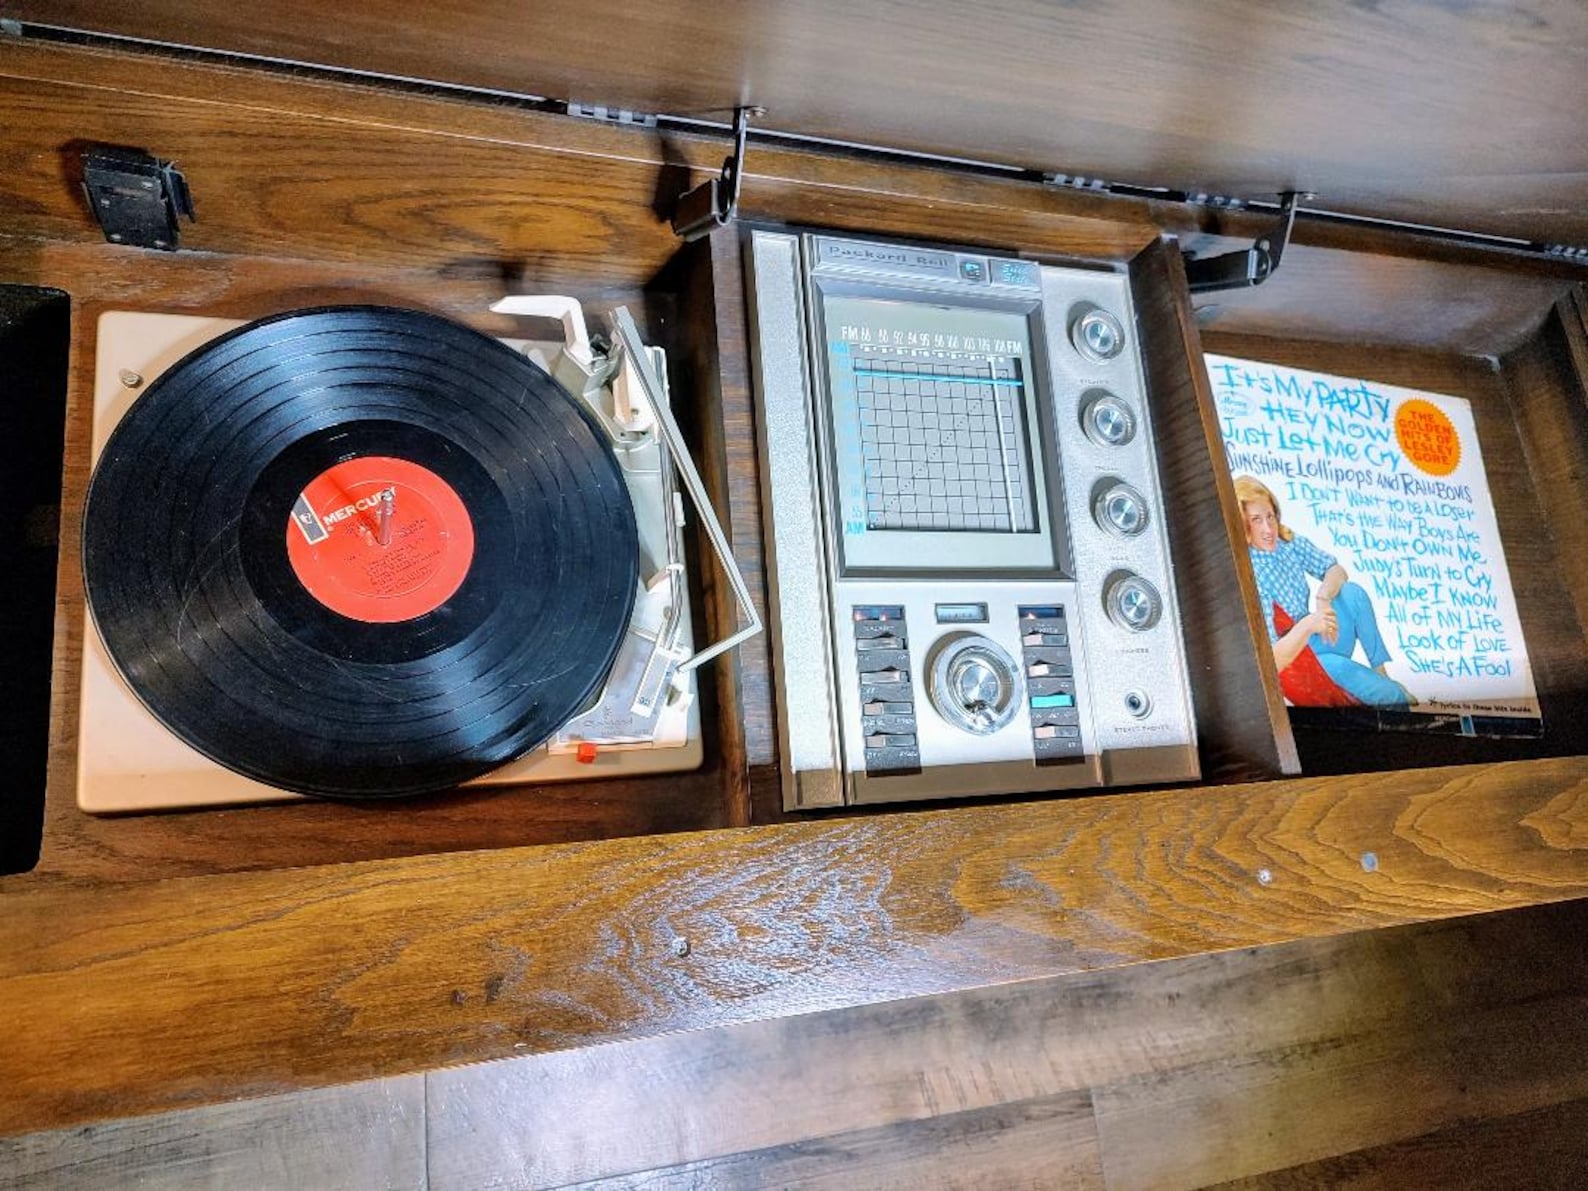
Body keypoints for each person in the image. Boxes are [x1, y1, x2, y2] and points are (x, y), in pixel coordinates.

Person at [1233, 475, 1411, 707]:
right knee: (1391, 696)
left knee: (1351, 593)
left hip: (1317, 637)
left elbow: (1335, 569)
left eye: (1270, 516)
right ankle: (1389, 692)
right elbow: (1271, 661)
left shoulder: (1288, 542)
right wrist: (1308, 625)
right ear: (1242, 523)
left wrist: (1323, 598)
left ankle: (1381, 672)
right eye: (1256, 520)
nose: (1268, 529)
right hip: (1299, 660)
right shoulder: (1248, 571)